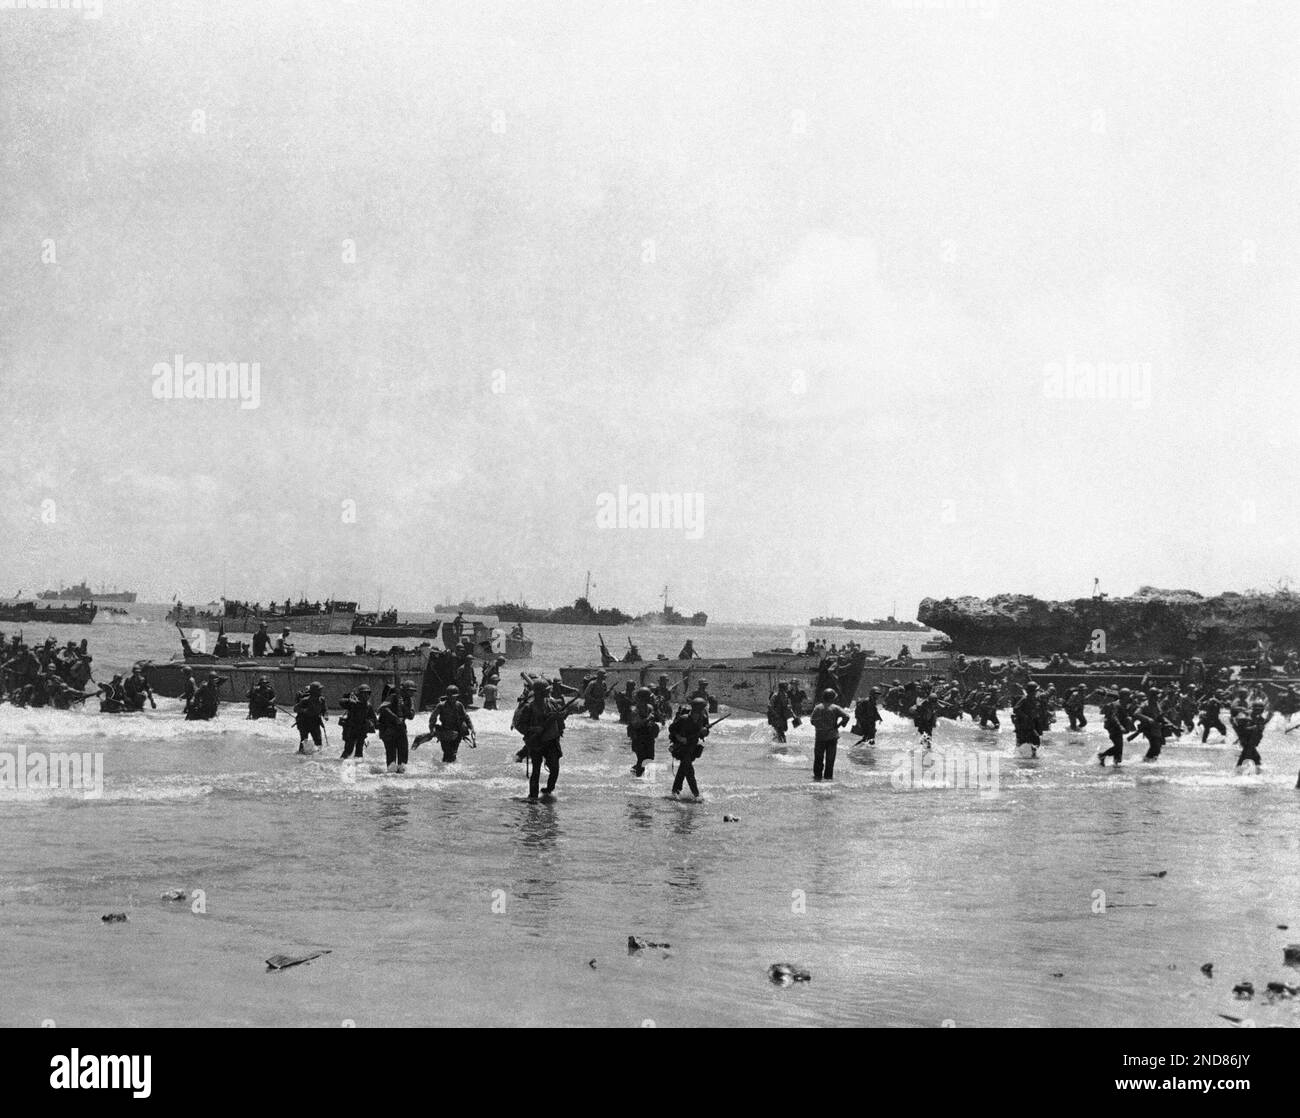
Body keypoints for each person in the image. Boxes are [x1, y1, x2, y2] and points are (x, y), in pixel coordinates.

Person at [516, 679, 572, 801]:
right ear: (539, 692)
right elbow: (519, 725)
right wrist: (534, 729)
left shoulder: (552, 703)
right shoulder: (529, 707)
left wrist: (561, 716)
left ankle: (549, 789)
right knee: (536, 771)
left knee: (555, 769)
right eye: (545, 691)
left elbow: (562, 718)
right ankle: (533, 797)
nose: (548, 693)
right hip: (537, 743)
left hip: (552, 740)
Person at [667, 697, 710, 800]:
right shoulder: (683, 718)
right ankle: (696, 795)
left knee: (683, 769)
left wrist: (705, 732)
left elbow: (704, 733)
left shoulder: (702, 718)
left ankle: (675, 791)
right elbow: (671, 729)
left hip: (692, 748)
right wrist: (680, 738)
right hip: (681, 748)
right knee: (689, 771)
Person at [420, 684, 474, 763]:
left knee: (453, 752)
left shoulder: (459, 705)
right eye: (452, 696)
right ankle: (445, 768)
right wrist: (432, 730)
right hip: (445, 732)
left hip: (457, 732)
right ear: (448, 696)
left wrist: (472, 728)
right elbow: (433, 718)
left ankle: (449, 769)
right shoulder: (441, 706)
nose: (453, 698)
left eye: (455, 696)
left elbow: (466, 717)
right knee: (447, 751)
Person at [808, 689, 849, 781]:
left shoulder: (817, 707)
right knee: (830, 760)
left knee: (818, 759)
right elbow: (847, 717)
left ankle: (817, 778)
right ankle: (828, 779)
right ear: (833, 698)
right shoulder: (835, 708)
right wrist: (838, 725)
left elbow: (812, 721)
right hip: (832, 738)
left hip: (820, 737)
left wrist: (821, 726)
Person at [378, 680, 417, 773]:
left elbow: (411, 716)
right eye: (409, 691)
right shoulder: (393, 697)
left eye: (413, 691)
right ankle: (391, 773)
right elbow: (382, 708)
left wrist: (403, 706)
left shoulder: (409, 700)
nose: (412, 693)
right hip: (388, 729)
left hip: (400, 729)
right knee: (391, 755)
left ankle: (401, 772)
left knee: (403, 754)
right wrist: (394, 717)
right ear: (404, 690)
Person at [627, 686, 661, 776]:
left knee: (649, 759)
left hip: (649, 737)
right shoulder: (635, 710)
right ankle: (637, 777)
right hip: (638, 738)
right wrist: (648, 718)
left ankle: (636, 772)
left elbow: (659, 719)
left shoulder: (650, 708)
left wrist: (656, 707)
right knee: (641, 759)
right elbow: (636, 724)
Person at [338, 684, 377, 759]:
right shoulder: (353, 703)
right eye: (364, 693)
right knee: (348, 750)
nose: (366, 696)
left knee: (359, 751)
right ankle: (341, 764)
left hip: (361, 731)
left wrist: (372, 723)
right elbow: (341, 702)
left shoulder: (368, 706)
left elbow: (374, 719)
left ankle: (358, 766)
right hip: (351, 730)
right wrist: (349, 700)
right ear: (359, 694)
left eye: (367, 693)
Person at [1097, 688, 1133, 766]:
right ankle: (1102, 755)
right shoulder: (1116, 704)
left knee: (1119, 746)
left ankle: (1116, 762)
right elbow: (1114, 717)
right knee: (1118, 746)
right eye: (1128, 695)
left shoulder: (1124, 704)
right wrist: (1121, 727)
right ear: (1124, 696)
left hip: (1117, 728)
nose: (1130, 697)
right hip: (1113, 728)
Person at [1232, 699, 1269, 771]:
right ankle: (1237, 775)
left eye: (1261, 709)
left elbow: (1259, 731)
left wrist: (1259, 728)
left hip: (1253, 742)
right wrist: (1253, 727)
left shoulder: (1260, 719)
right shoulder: (1244, 717)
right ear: (1253, 708)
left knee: (1254, 758)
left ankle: (1239, 773)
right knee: (1251, 758)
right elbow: (1241, 729)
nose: (1259, 711)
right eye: (1257, 709)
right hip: (1247, 742)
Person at [293, 681, 328, 754]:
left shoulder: (321, 700)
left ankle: (319, 755)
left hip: (315, 722)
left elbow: (324, 710)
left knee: (318, 740)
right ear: (315, 691)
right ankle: (301, 754)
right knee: (304, 740)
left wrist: (325, 715)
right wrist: (304, 710)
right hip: (304, 722)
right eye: (319, 690)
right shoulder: (305, 700)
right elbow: (295, 709)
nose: (321, 691)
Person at [1011, 681, 1042, 757]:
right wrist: (1025, 716)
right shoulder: (1024, 699)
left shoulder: (1033, 699)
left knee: (1036, 741)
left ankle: (1032, 754)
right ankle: (1019, 756)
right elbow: (1016, 709)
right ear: (1032, 691)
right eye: (1036, 691)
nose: (1037, 692)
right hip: (1022, 725)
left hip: (1030, 725)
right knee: (1021, 743)